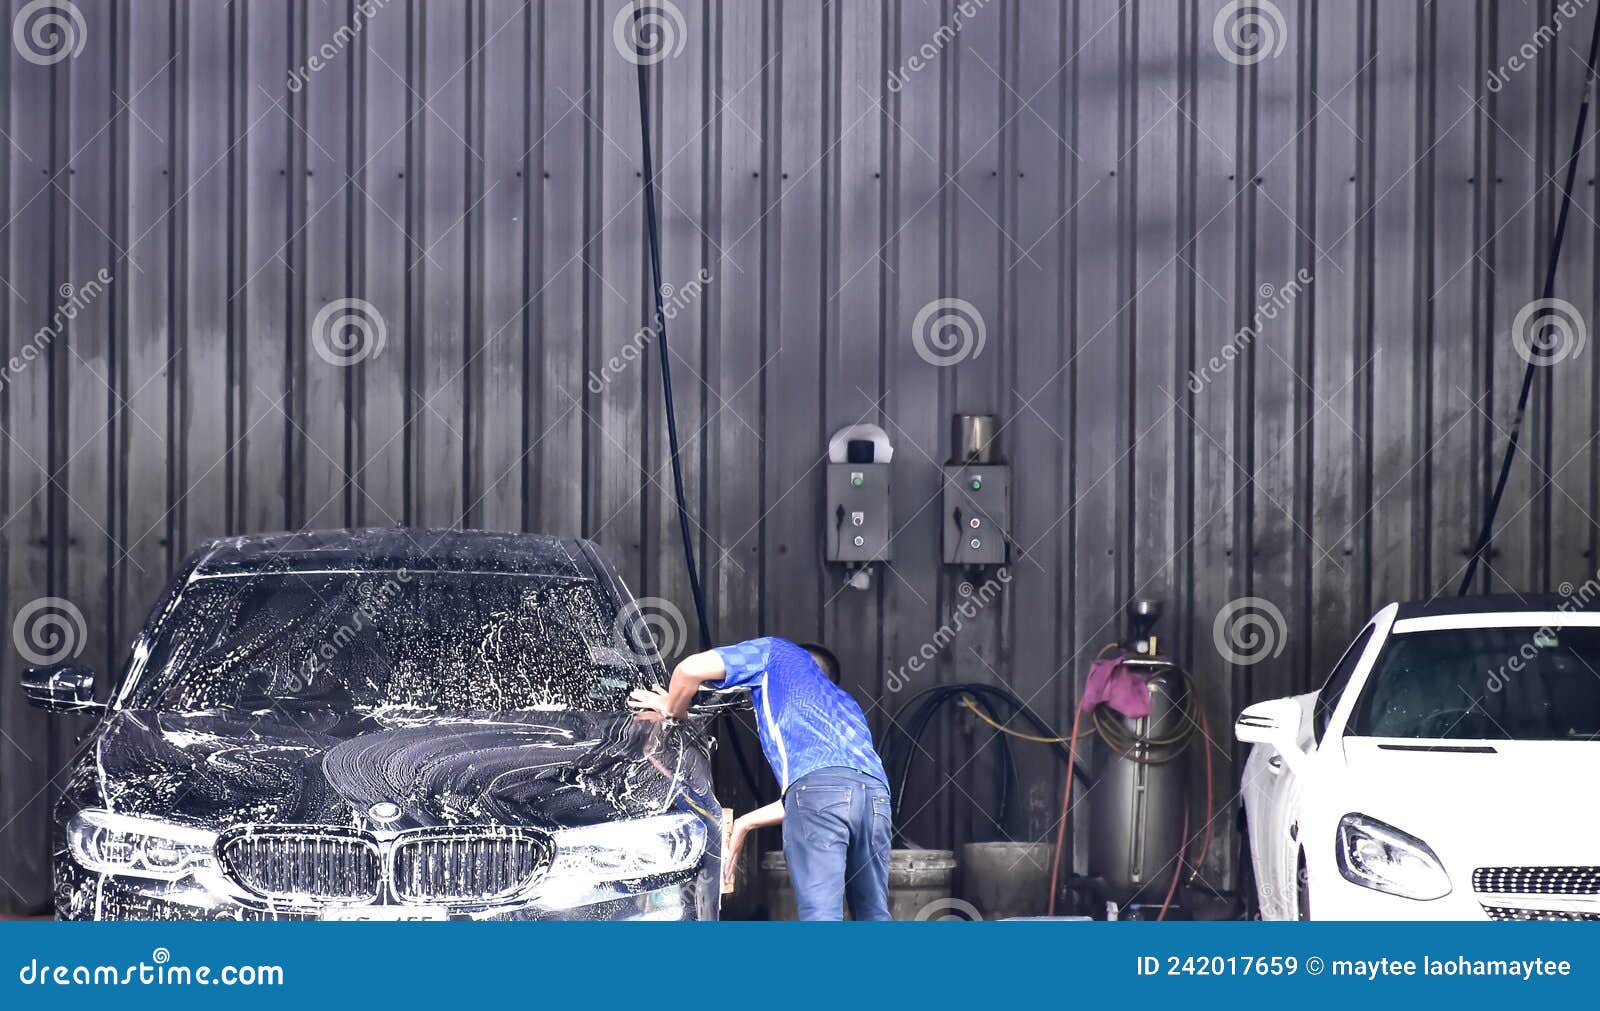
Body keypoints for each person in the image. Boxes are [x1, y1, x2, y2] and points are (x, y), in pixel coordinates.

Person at [628, 637, 892, 921]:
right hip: (877, 798)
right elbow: (832, 792)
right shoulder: (845, 706)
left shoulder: (776, 653)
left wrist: (672, 707)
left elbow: (688, 671)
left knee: (821, 916)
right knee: (874, 913)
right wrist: (745, 823)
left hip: (819, 793)